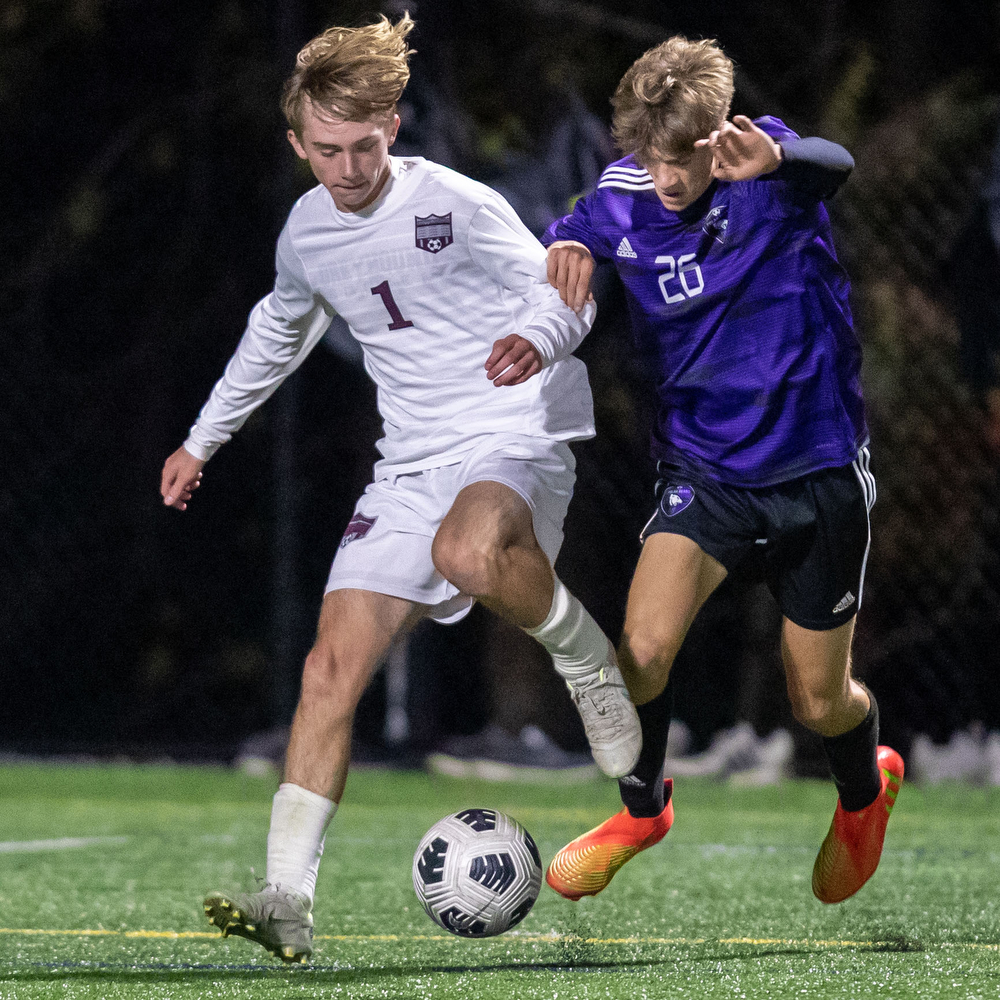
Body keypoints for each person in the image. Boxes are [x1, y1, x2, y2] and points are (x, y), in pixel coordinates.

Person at [159, 13, 641, 963]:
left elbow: (566, 285)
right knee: (326, 672)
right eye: (326, 150)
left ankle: (585, 662)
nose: (346, 168)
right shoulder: (306, 231)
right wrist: (202, 439)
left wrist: (536, 338)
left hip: (517, 428)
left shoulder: (456, 203)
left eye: (365, 144)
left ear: (393, 124)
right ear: (299, 143)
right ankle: (287, 901)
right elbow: (279, 332)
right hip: (412, 460)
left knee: (468, 552)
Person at [542, 35, 903, 906]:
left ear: (718, 135)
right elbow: (570, 235)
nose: (665, 175)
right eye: (647, 156)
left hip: (816, 471)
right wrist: (566, 251)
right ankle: (642, 809)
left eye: (682, 156)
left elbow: (833, 161)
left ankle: (865, 788)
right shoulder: (621, 201)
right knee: (642, 649)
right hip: (704, 472)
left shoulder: (767, 165)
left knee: (819, 705)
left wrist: (776, 155)